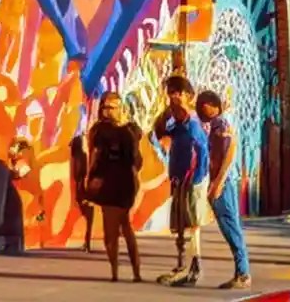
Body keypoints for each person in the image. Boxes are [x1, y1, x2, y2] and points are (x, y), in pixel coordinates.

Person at [154, 75, 210, 287]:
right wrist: (167, 110)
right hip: (179, 179)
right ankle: (182, 265)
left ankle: (192, 267)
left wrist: (195, 179)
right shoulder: (177, 123)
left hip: (191, 181)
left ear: (188, 95)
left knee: (192, 223)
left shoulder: (193, 123)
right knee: (180, 225)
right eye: (171, 93)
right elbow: (159, 131)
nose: (174, 97)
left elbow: (202, 152)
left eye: (177, 93)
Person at [196, 90, 251, 290]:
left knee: (230, 226)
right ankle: (241, 271)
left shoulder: (221, 124)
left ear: (213, 105)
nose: (202, 108)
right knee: (231, 225)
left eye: (205, 105)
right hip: (224, 180)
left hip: (224, 182)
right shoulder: (221, 122)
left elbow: (230, 150)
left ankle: (243, 273)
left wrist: (218, 182)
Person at [86, 92, 144, 282]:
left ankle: (135, 271)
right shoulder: (99, 131)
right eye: (106, 107)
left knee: (124, 226)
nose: (108, 111)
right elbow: (94, 156)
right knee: (112, 228)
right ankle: (116, 271)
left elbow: (136, 158)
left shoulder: (130, 130)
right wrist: (90, 179)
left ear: (121, 109)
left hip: (125, 181)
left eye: (113, 107)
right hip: (106, 181)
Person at [69, 127, 95, 253]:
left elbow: (78, 174)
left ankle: (87, 242)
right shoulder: (82, 156)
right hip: (84, 188)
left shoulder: (77, 158)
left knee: (87, 216)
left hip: (82, 189)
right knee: (88, 217)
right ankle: (87, 242)